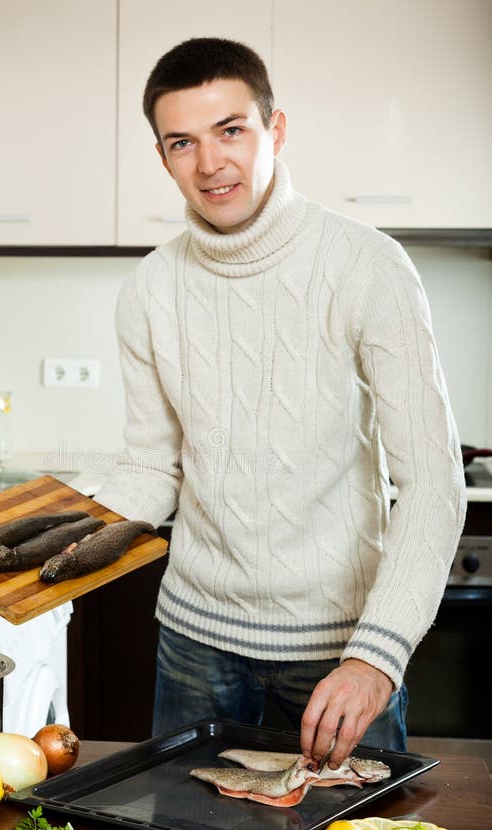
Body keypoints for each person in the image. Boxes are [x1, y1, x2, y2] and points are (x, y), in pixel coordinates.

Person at [94, 37, 466, 769]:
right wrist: (65, 535)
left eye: (230, 130)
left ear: (276, 129)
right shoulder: (147, 288)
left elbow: (432, 483)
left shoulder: (367, 265)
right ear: (162, 155)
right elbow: (149, 469)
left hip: (339, 651)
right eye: (181, 142)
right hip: (193, 644)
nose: (209, 163)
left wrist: (376, 658)